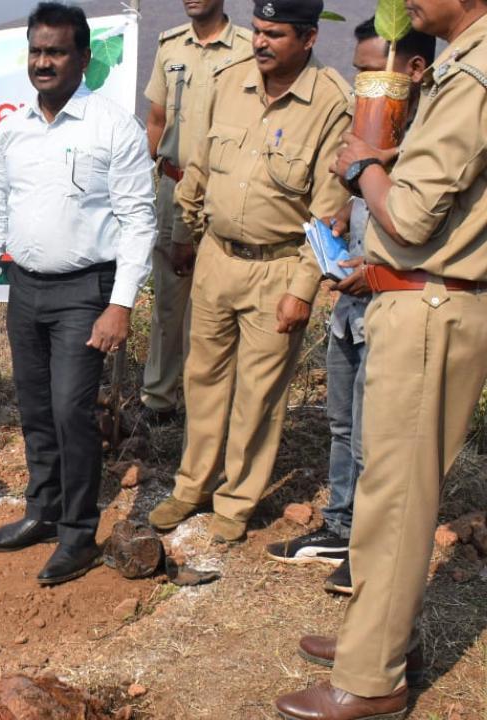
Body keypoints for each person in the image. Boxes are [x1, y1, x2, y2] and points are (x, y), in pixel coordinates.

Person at [276, 0, 487, 716]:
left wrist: (365, 162)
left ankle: (372, 680)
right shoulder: (463, 61)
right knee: (382, 488)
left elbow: (413, 214)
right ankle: (378, 633)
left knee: (397, 497)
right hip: (414, 294)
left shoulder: (476, 72)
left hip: (433, 305)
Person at [0, 2, 156, 585]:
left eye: (56, 51)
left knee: (72, 411)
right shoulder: (12, 129)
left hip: (84, 292)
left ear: (84, 58)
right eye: (36, 51)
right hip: (26, 289)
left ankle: (78, 534)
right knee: (37, 410)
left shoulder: (112, 126)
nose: (43, 62)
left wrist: (120, 303)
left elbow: (140, 221)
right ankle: (41, 513)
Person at [148, 0, 352, 544]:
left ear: (308, 39)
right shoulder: (230, 80)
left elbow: (329, 211)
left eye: (275, 34)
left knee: (259, 394)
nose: (260, 43)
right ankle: (192, 486)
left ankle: (234, 503)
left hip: (279, 267)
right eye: (258, 31)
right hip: (217, 257)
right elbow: (198, 170)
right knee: (203, 378)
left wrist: (304, 288)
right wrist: (186, 237)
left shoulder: (331, 102)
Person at [264, 18, 433, 598]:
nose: (361, 85)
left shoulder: (425, 146)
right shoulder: (367, 140)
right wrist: (343, 221)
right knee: (341, 425)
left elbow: (428, 238)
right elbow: (366, 208)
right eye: (358, 72)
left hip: (389, 309)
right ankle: (338, 527)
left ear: (412, 72)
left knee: (372, 438)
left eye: (370, 73)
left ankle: (364, 545)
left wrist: (376, 272)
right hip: (349, 309)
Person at [141, 0, 252, 425]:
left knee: (221, 296)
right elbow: (156, 119)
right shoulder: (170, 47)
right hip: (174, 185)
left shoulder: (245, 48)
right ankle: (159, 398)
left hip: (225, 190)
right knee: (169, 298)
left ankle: (208, 401)